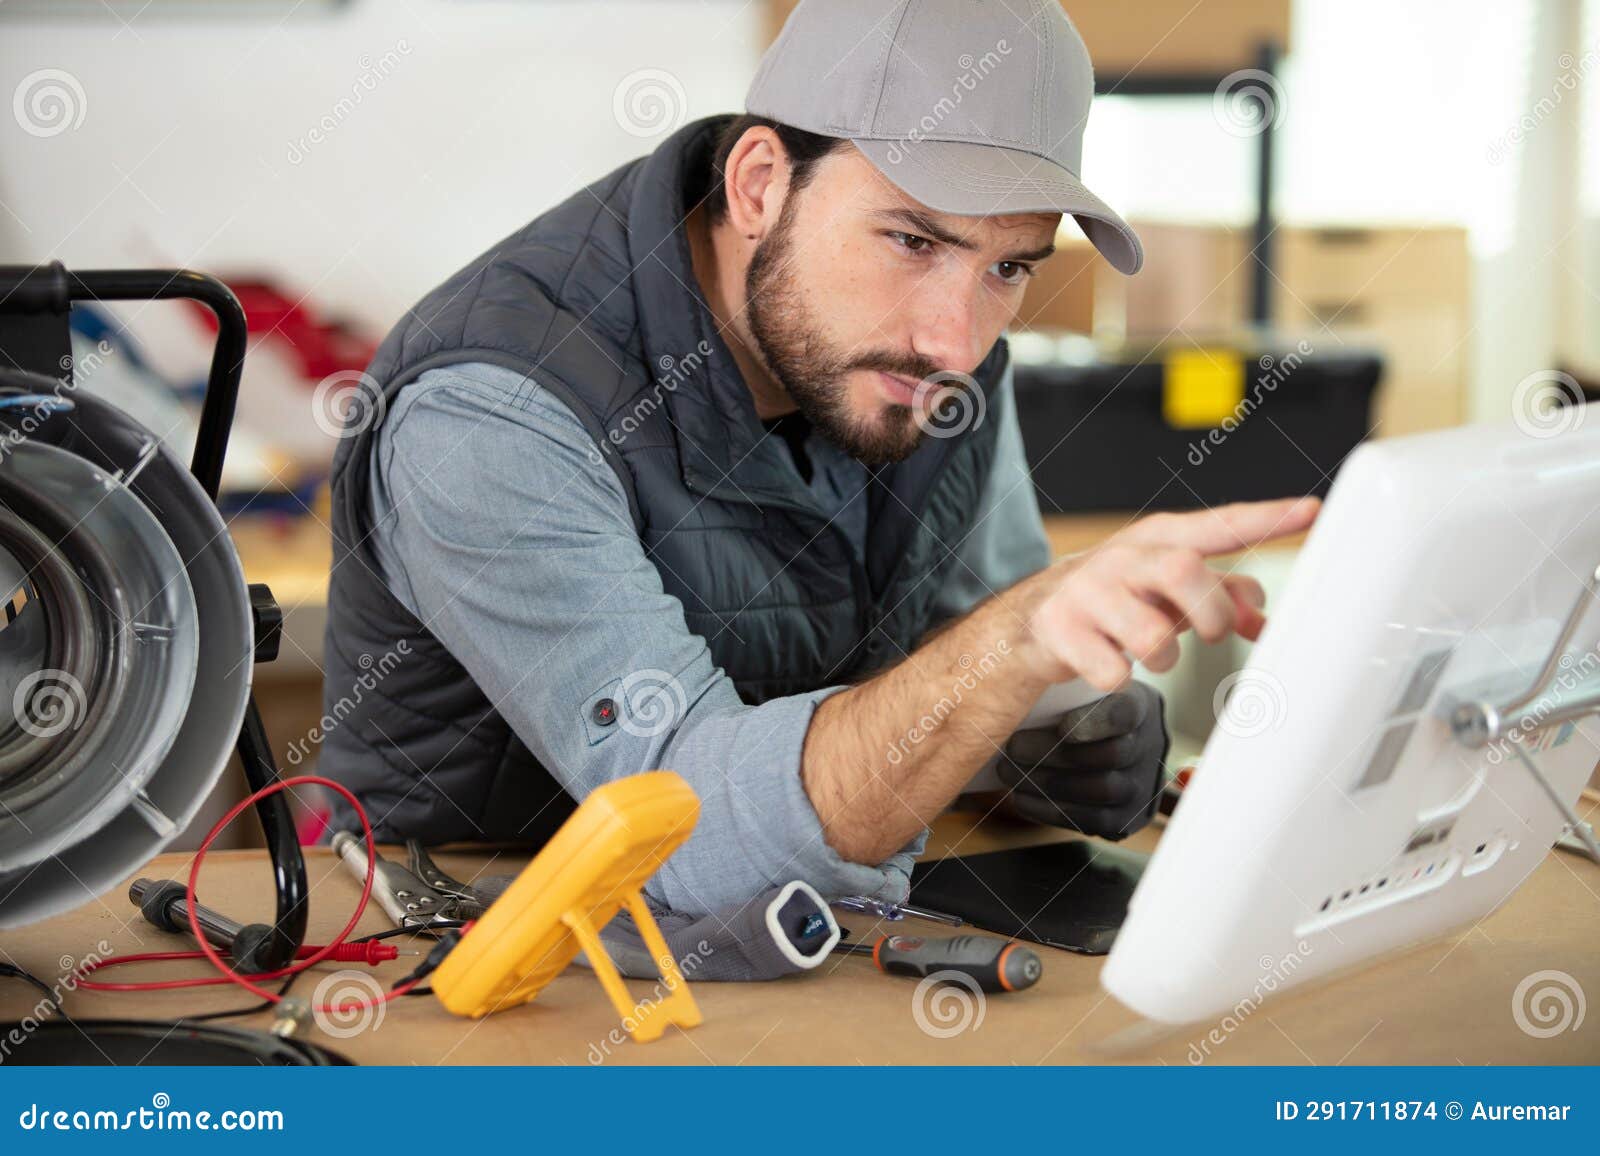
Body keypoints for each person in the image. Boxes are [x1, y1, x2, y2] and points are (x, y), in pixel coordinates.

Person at [321, 0, 1316, 915]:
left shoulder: (926, 365)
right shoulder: (495, 410)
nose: (956, 342)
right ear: (758, 183)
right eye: (912, 242)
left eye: (1006, 267)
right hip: (465, 965)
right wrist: (1005, 652)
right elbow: (686, 827)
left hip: (808, 941)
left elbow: (961, 672)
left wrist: (1044, 732)